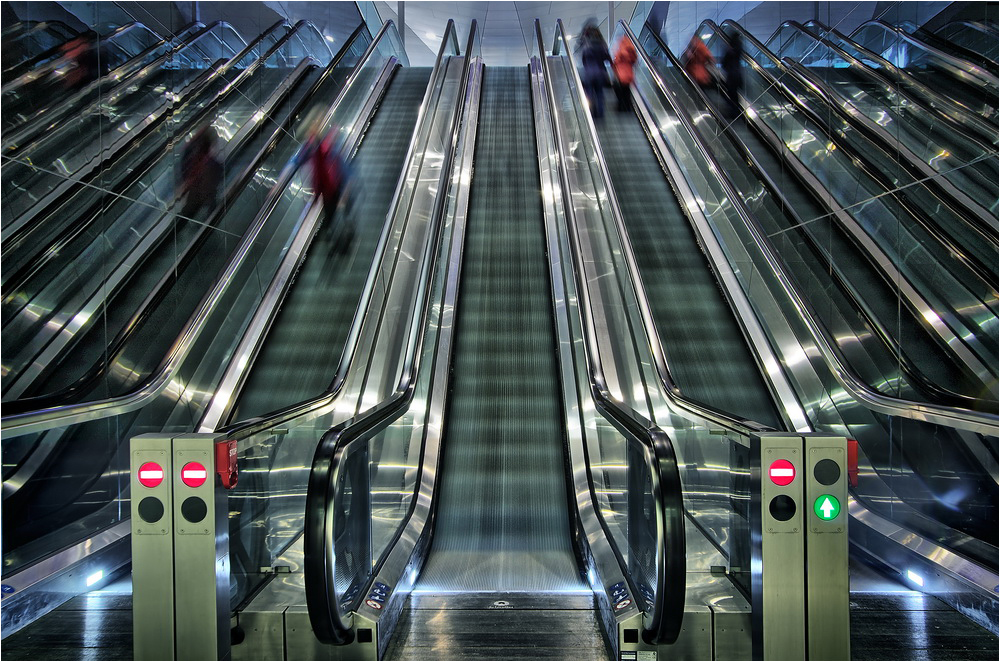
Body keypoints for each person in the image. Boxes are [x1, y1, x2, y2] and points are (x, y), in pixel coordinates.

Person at [178, 126, 222, 220]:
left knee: (189, 209)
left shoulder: (191, 157)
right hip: (200, 194)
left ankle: (179, 223)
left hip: (195, 193)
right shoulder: (214, 165)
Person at [578, 23, 611, 119]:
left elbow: (584, 61)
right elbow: (607, 58)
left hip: (589, 74)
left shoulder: (586, 46)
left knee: (589, 93)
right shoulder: (602, 45)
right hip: (600, 73)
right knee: (599, 93)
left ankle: (591, 112)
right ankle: (600, 113)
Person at [721, 32, 744, 119]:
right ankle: (736, 111)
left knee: (731, 94)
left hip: (731, 75)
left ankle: (734, 112)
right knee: (734, 95)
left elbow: (724, 63)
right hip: (738, 75)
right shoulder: (739, 48)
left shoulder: (730, 49)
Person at [613, 35, 637, 112]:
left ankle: (620, 107)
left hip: (621, 74)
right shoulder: (632, 50)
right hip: (629, 73)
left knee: (620, 91)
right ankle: (628, 107)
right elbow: (634, 60)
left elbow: (616, 61)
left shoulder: (620, 50)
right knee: (627, 91)